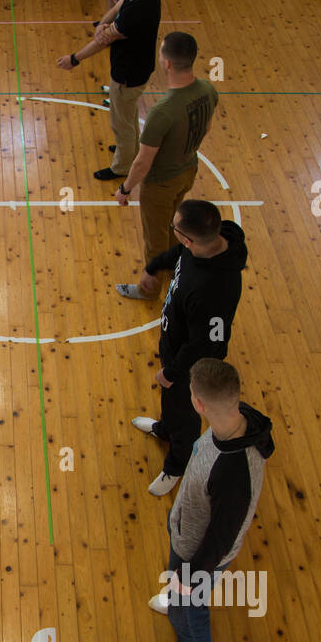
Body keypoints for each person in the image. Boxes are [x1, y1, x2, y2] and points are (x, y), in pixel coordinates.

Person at [147, 358, 275, 642]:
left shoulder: (235, 474)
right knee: (179, 591)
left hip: (199, 553)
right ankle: (176, 599)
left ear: (198, 404)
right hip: (187, 529)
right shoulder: (234, 418)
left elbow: (221, 538)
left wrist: (190, 577)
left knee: (190, 611)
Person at [130, 198, 247, 495]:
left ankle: (177, 465)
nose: (173, 230)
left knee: (185, 413)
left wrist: (172, 372)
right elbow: (179, 254)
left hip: (190, 365)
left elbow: (205, 344)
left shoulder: (215, 290)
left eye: (175, 227)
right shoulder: (212, 239)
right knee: (171, 404)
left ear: (188, 238)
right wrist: (153, 267)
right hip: (176, 346)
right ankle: (164, 429)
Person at [115, 33, 219, 300]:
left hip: (160, 184)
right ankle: (178, 272)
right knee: (174, 226)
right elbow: (206, 128)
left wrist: (125, 189)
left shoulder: (162, 111)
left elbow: (142, 162)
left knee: (155, 240)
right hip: (188, 171)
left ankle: (149, 290)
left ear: (167, 63)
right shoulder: (208, 90)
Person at [57, 0, 161, 181]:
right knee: (128, 114)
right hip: (138, 69)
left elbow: (104, 40)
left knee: (121, 123)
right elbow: (118, 6)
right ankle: (130, 149)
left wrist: (74, 58)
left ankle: (122, 167)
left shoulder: (137, 12)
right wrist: (102, 23)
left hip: (128, 74)